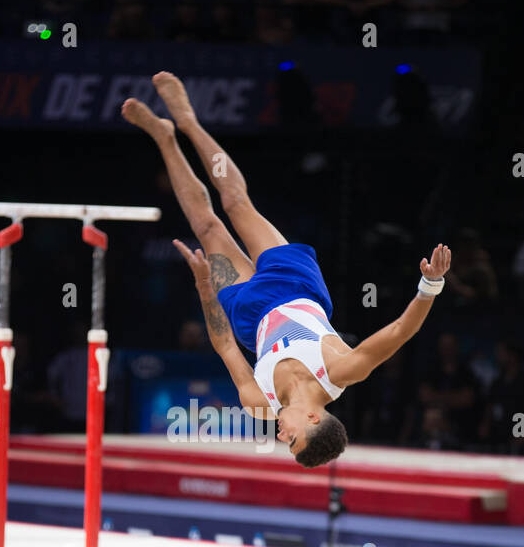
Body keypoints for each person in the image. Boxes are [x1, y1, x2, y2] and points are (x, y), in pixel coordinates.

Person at [121, 72, 451, 467]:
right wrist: (430, 284)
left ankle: (165, 138)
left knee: (207, 225)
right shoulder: (342, 370)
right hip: (295, 286)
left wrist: (206, 289)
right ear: (314, 418)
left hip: (248, 316)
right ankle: (189, 122)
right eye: (292, 440)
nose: (280, 437)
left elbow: (226, 345)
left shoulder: (260, 404)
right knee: (235, 203)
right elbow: (401, 331)